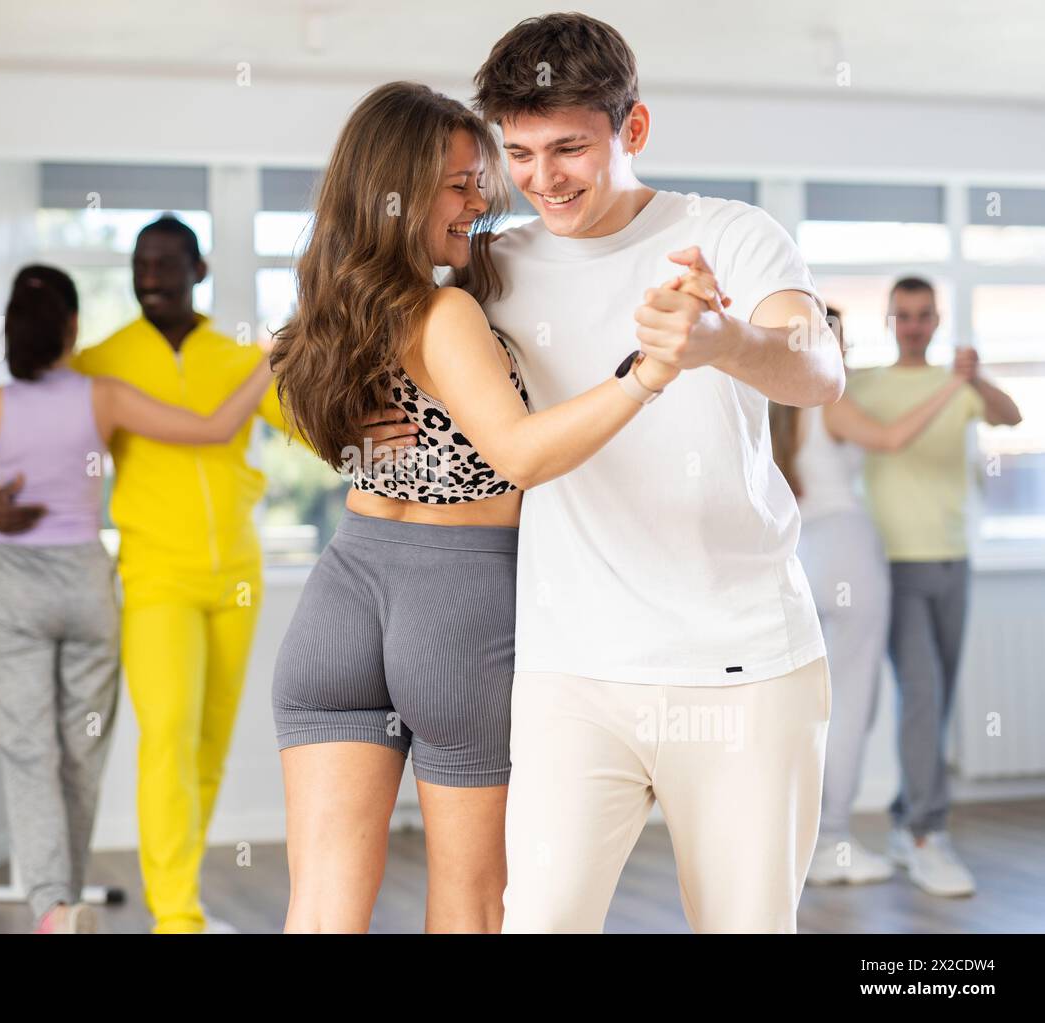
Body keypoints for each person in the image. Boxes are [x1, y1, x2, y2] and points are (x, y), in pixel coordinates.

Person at [268, 81, 719, 934]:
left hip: (340, 596)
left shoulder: (331, 314)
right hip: (459, 604)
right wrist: (647, 375)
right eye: (459, 183)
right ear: (393, 191)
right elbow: (518, 453)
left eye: (482, 179)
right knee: (474, 903)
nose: (482, 200)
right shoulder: (443, 311)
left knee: (319, 904)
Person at [467, 12, 845, 933]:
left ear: (631, 130)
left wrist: (722, 338)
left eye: (568, 149)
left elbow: (817, 364)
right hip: (570, 671)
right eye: (518, 152)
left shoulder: (730, 235)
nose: (541, 179)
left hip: (744, 664)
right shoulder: (495, 267)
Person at [0, 218, 287, 933]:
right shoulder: (103, 362)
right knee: (167, 734)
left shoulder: (238, 359)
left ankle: (186, 893)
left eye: (167, 264)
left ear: (197, 269)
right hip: (153, 579)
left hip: (237, 577)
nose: (150, 277)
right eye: (141, 264)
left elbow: (305, 421)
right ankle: (175, 915)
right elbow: (34, 421)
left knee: (208, 750)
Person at [769, 306, 972, 886]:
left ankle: (802, 843)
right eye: (839, 342)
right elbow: (889, 438)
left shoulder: (774, 403)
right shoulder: (829, 400)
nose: (845, 353)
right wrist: (954, 384)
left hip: (801, 556)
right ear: (823, 347)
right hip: (851, 555)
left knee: (805, 709)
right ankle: (832, 841)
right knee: (851, 708)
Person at [847, 276, 1021, 897]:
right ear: (889, 319)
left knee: (937, 698)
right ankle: (927, 835)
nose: (914, 325)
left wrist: (972, 379)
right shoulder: (867, 384)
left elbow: (1012, 416)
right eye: (904, 315)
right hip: (892, 564)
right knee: (921, 692)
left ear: (937, 320)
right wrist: (952, 384)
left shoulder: (962, 386)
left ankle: (903, 819)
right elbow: (881, 441)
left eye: (924, 316)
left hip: (953, 559)